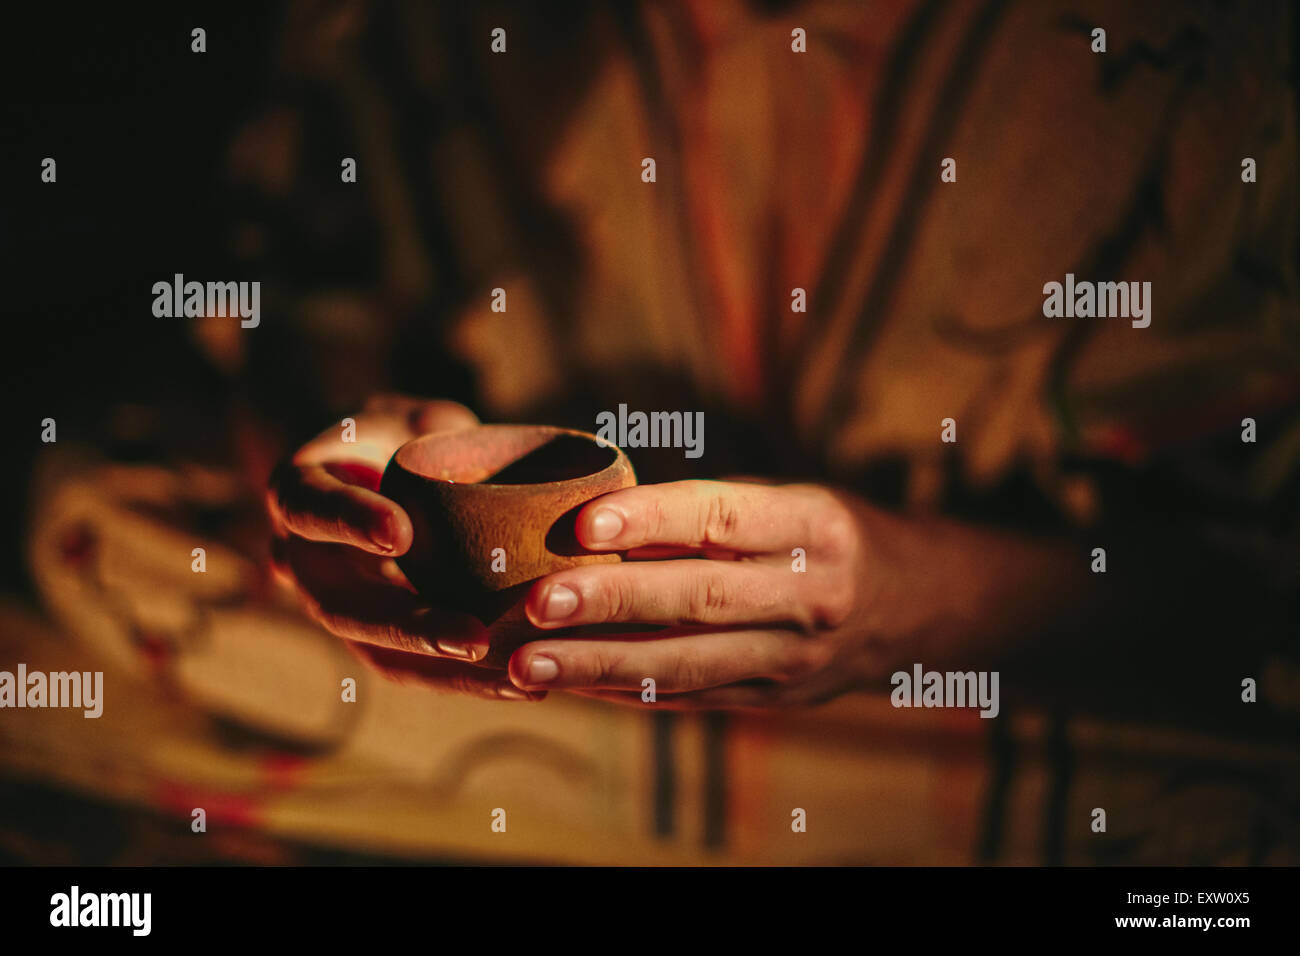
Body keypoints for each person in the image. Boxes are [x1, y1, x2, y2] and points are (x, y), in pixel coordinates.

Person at [256, 0, 1298, 713]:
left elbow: (1254, 600)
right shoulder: (413, 34)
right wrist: (333, 480)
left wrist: (912, 599)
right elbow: (290, 332)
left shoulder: (1189, 59)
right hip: (528, 753)